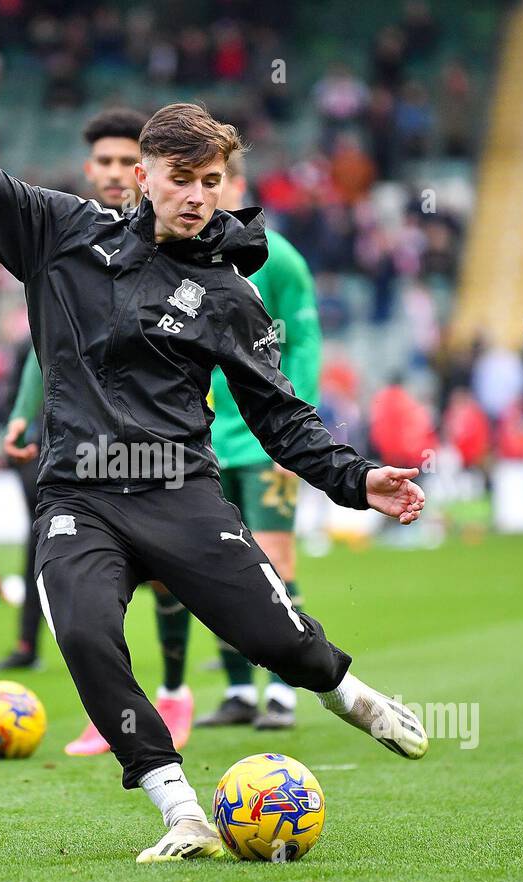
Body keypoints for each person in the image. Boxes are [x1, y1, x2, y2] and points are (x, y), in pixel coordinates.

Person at [0, 6, 428, 864]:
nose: (196, 193)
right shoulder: (58, 234)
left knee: (275, 642)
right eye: (181, 176)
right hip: (79, 494)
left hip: (180, 490)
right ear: (141, 174)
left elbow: (279, 413)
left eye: (212, 179)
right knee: (81, 632)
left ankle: (349, 693)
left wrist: (354, 477)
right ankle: (180, 807)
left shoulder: (231, 295)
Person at [0, 107, 197, 756]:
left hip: (168, 433)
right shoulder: (69, 239)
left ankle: (174, 692)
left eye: (125, 163)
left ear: (146, 171)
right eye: (104, 163)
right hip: (83, 443)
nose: (115, 174)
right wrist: (27, 409)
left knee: (171, 573)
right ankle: (122, 708)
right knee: (90, 575)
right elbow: (50, 343)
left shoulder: (174, 244)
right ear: (91, 169)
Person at [196, 149, 323, 731]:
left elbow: (305, 347)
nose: (205, 193)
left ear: (239, 185)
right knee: (215, 564)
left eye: (216, 180)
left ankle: (283, 692)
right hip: (203, 440)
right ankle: (240, 691)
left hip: (265, 441)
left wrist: (301, 432)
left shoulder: (282, 261)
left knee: (275, 558)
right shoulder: (186, 256)